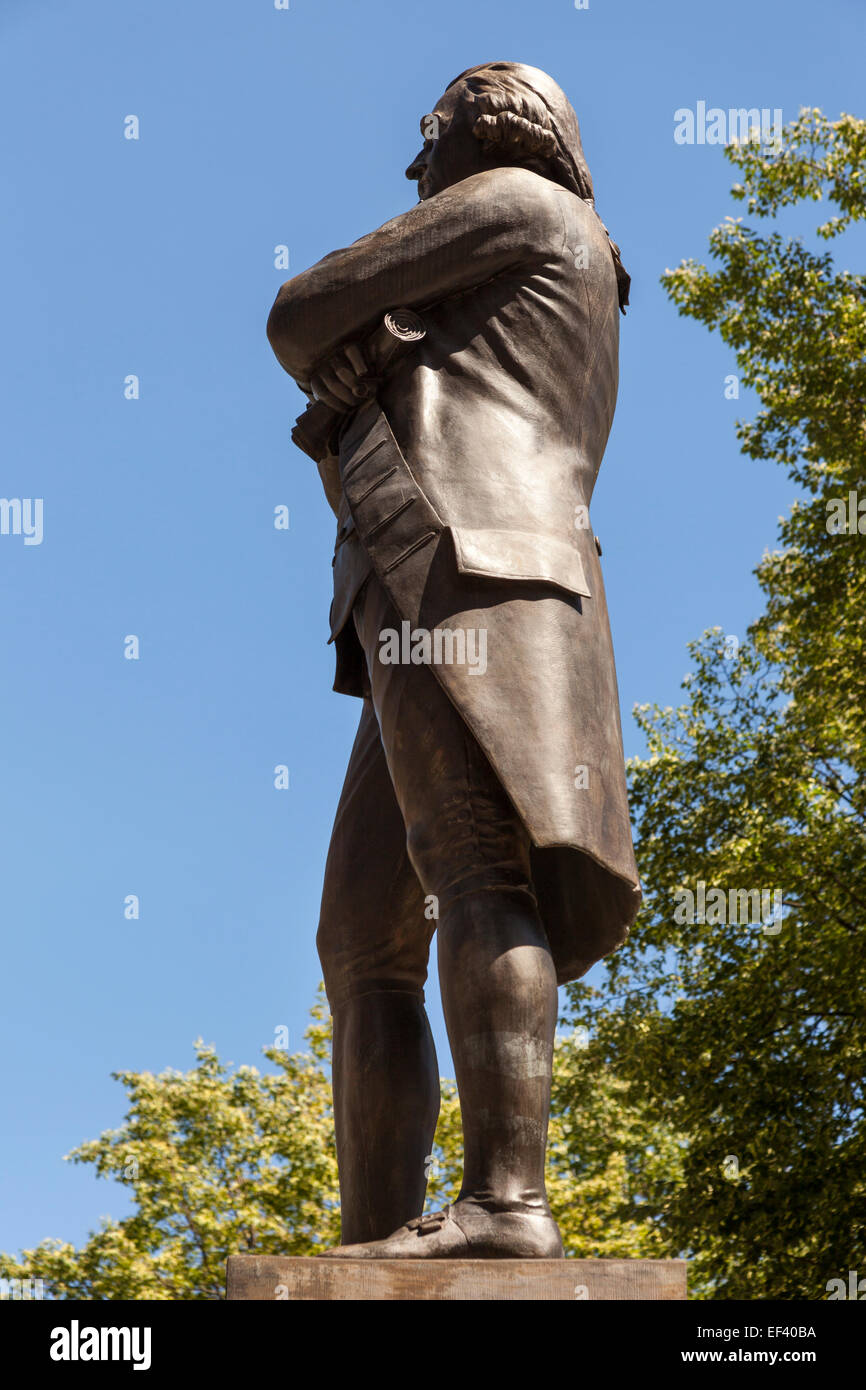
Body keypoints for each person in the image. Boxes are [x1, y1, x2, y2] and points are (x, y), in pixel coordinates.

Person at [266, 61, 641, 1258]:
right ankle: (378, 1237)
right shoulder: (521, 271)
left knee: (476, 868)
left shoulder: (523, 205)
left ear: (471, 133)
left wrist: (353, 338)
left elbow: (295, 310)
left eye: (425, 143)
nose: (413, 174)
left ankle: (504, 1207)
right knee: (363, 939)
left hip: (463, 571)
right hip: (431, 577)